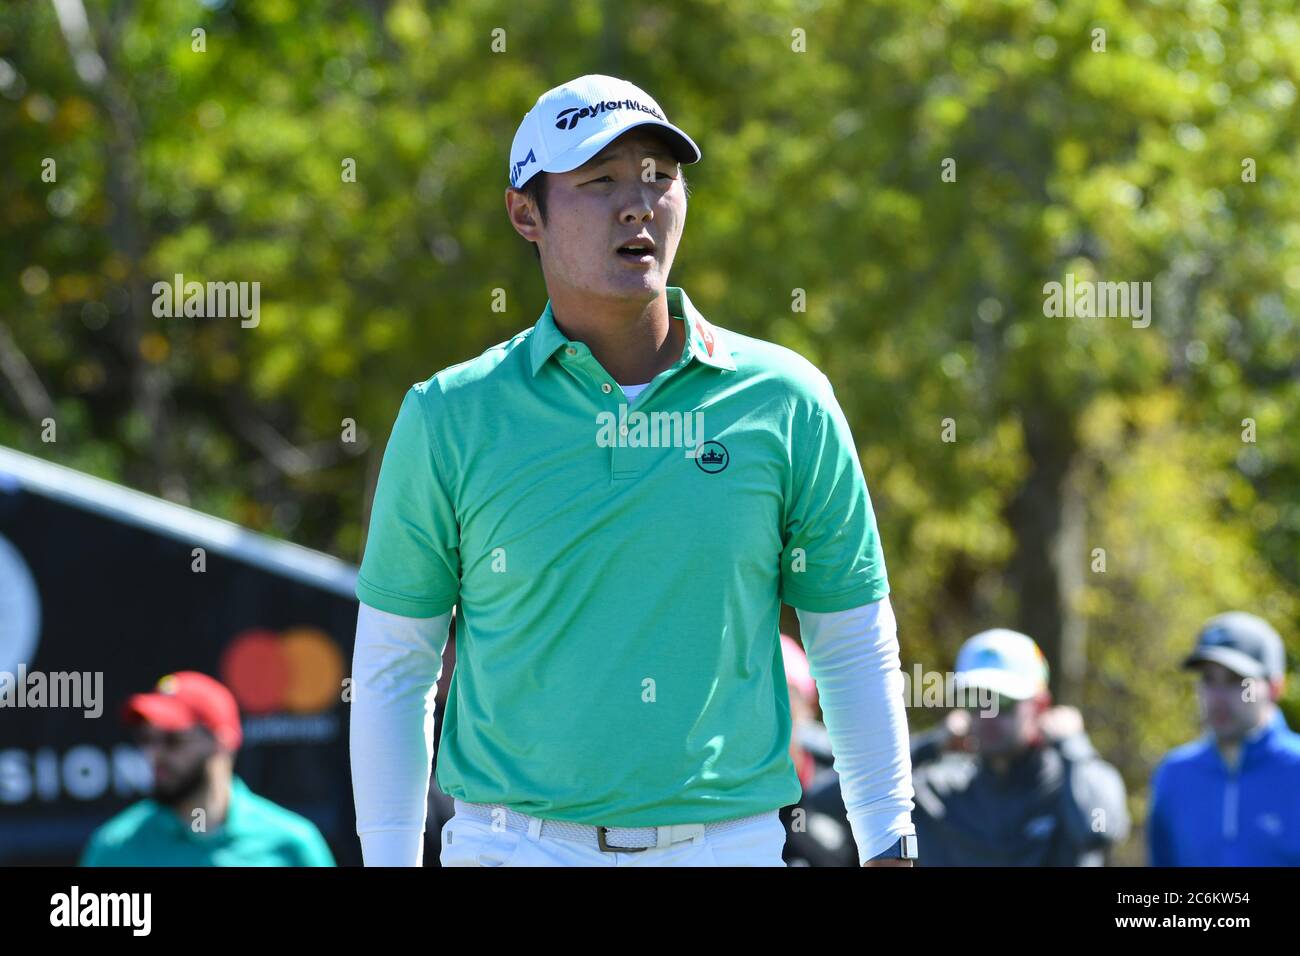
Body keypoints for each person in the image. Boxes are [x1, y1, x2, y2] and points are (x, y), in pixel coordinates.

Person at [349, 74, 917, 867]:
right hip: (514, 849)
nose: (637, 203)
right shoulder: (450, 414)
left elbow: (850, 639)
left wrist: (890, 838)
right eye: (599, 181)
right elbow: (394, 665)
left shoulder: (789, 400)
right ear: (525, 212)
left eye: (660, 177)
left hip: (731, 848)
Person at [908, 629, 1129, 865]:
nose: (986, 714)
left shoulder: (1071, 781)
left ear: (1040, 705)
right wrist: (931, 744)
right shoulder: (942, 792)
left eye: (1002, 700)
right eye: (973, 699)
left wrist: (1075, 748)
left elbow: (1101, 828)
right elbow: (870, 788)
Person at [81, 671, 335, 866]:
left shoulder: (292, 843)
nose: (154, 754)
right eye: (147, 739)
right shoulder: (115, 847)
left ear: (222, 742)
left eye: (173, 740)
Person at [1147, 612, 1300, 866]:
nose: (1217, 696)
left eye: (1236, 681)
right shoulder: (1174, 775)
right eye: (1209, 679)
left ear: (1275, 687)